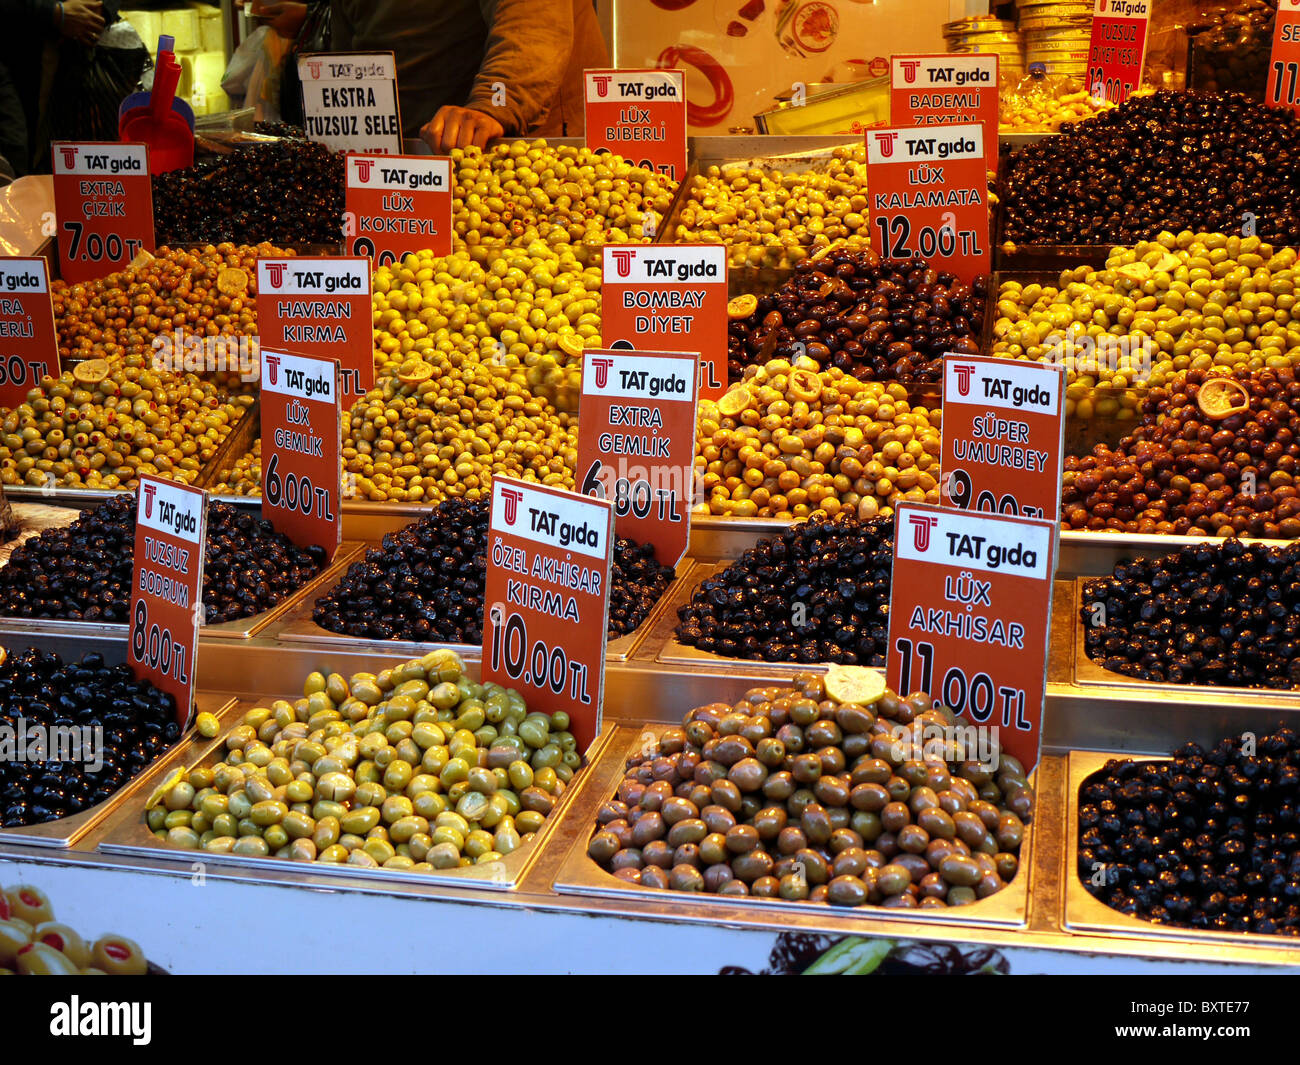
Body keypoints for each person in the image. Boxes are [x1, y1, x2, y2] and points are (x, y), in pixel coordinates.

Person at [242, 0, 607, 151]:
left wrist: (496, 102)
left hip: (499, 150)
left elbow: (534, 22)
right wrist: (314, 19)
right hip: (410, 155)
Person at [0, 0, 105, 174]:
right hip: (15, 46)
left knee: (57, 161)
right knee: (14, 151)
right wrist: (53, 14)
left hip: (74, 54)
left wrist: (93, 15)